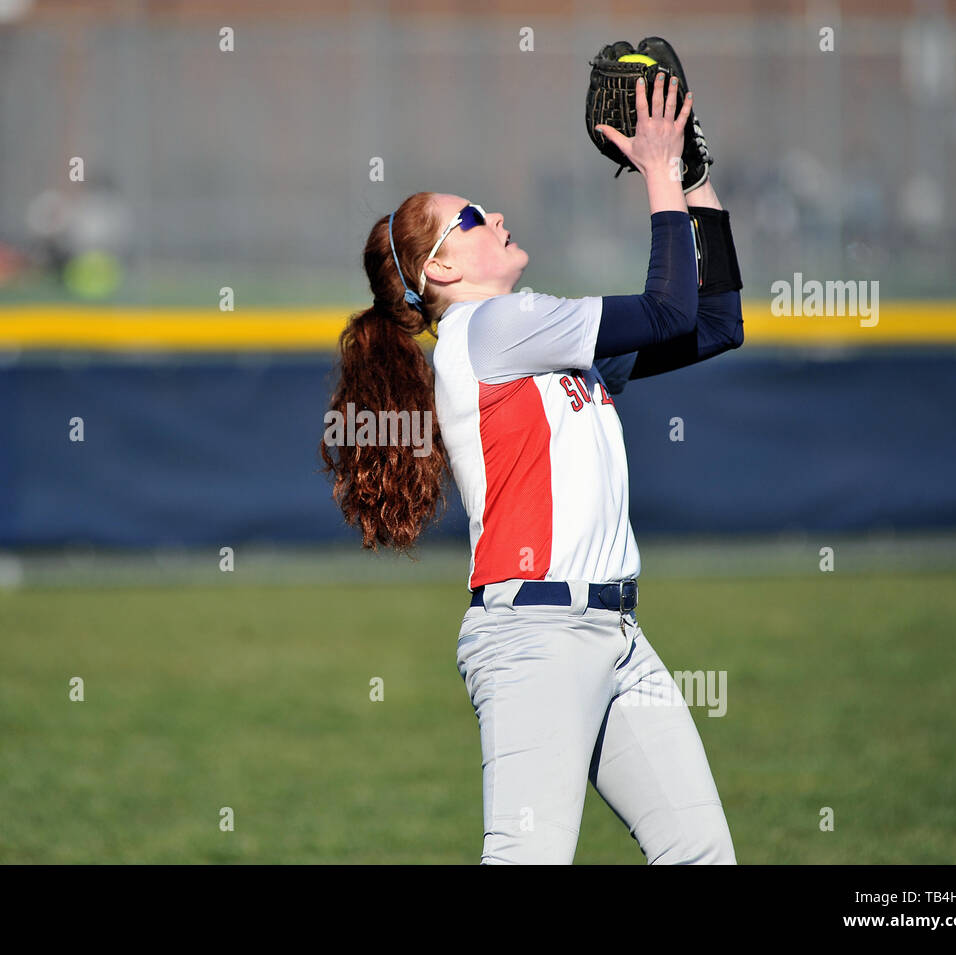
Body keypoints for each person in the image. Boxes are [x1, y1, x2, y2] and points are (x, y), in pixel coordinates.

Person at [321, 73, 744, 863]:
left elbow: (715, 323)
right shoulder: (492, 328)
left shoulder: (537, 340)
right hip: (535, 637)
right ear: (442, 271)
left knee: (702, 856)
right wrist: (657, 173)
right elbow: (668, 310)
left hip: (616, 634)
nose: (498, 215)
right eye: (474, 218)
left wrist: (691, 175)